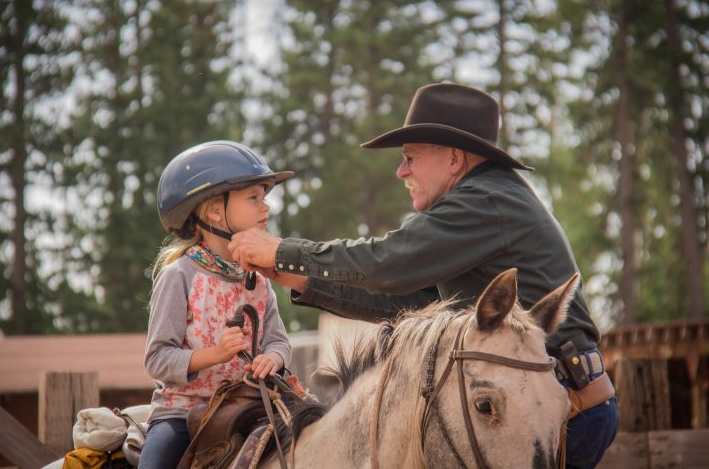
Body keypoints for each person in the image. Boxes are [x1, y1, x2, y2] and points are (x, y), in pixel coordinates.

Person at [228, 83, 618, 469]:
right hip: (542, 399)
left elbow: (387, 261)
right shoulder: (483, 202)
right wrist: (302, 280)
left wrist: (284, 251)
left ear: (454, 159)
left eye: (410, 157)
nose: (401, 171)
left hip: (541, 405)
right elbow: (411, 304)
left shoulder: (483, 201)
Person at [139, 141, 293, 469]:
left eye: (264, 198)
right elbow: (156, 359)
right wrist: (216, 355)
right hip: (182, 413)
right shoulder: (178, 275)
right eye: (253, 198)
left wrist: (273, 358)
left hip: (246, 407)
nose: (265, 208)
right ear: (213, 211)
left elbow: (278, 341)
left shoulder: (260, 279)